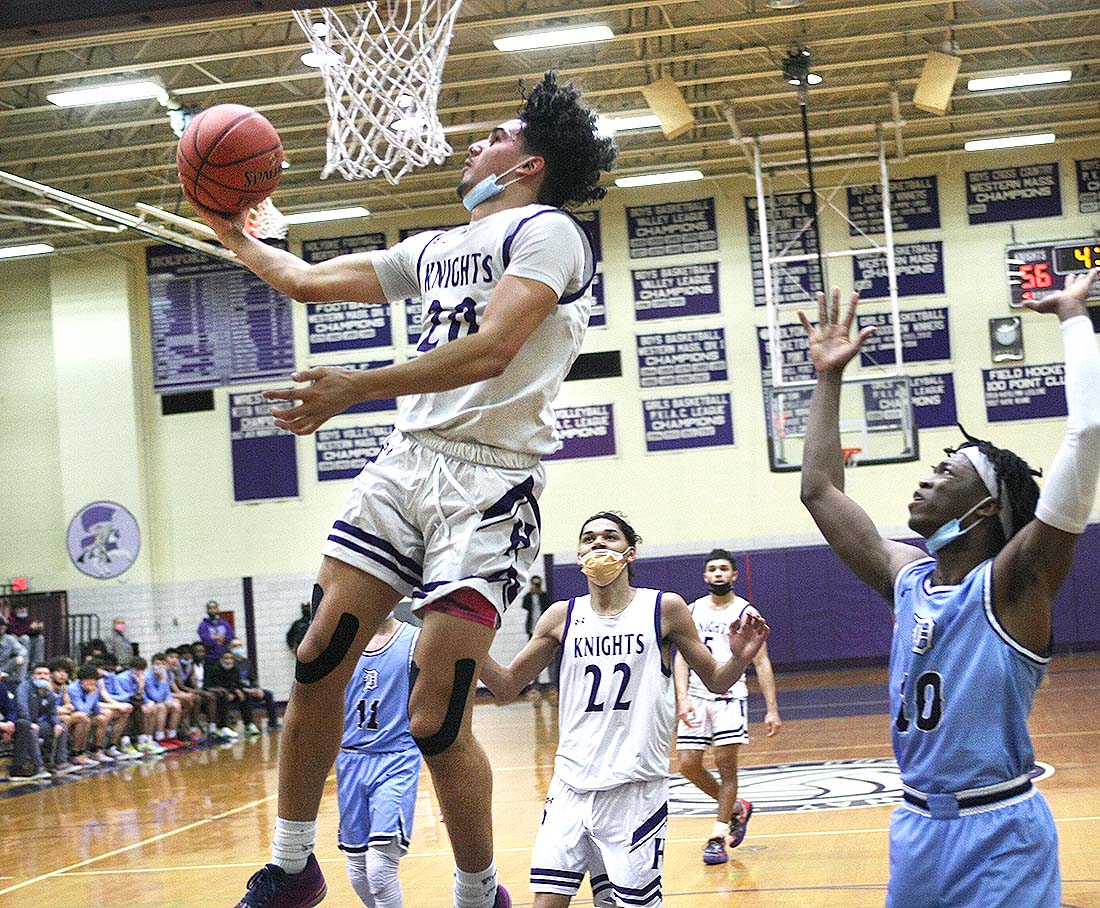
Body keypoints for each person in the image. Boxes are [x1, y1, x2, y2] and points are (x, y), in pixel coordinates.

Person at [188, 72, 615, 908]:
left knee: (435, 715)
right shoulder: (433, 248)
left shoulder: (550, 233)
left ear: (528, 164)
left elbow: (493, 348)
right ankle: (291, 865)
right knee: (318, 657)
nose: (475, 143)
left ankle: (479, 891)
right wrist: (233, 233)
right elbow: (305, 280)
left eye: (496, 134)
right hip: (406, 464)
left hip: (490, 483)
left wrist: (357, 386)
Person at [797, 273, 1100, 908]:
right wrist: (828, 378)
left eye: (946, 471)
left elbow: (1090, 431)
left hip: (998, 829)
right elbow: (820, 490)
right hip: (914, 827)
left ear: (985, 509)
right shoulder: (907, 577)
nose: (926, 479)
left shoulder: (1016, 584)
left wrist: (1074, 317)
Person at [478, 512, 770, 907]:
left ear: (630, 553)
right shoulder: (561, 615)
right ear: (579, 555)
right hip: (570, 787)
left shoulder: (664, 608)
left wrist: (738, 659)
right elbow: (506, 686)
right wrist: (465, 643)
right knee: (545, 902)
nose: (598, 542)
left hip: (634, 790)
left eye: (610, 536)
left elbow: (717, 680)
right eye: (589, 538)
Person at [673, 549, 782, 864]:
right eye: (713, 569)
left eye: (724, 568)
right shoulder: (691, 611)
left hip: (730, 695)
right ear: (705, 576)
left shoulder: (747, 612)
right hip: (696, 694)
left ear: (734, 575)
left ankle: (718, 836)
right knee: (688, 765)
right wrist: (682, 698)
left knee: (725, 764)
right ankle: (736, 808)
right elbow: (681, 658)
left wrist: (772, 708)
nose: (718, 573)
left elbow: (761, 662)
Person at [334, 614, 422, 908]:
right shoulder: (339, 643)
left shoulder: (415, 640)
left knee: (380, 869)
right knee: (358, 872)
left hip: (396, 758)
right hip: (349, 760)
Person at [1, 672, 49, 780]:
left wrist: (10, 723)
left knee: (23, 724)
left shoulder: (2, 688)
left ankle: (18, 767)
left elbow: (11, 710)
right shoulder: (23, 688)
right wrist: (2, 726)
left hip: (4, 724)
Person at [229, 638, 280, 732]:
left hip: (250, 689)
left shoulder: (246, 662)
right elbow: (232, 683)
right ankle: (249, 724)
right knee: (246, 695)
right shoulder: (230, 663)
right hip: (237, 691)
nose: (238, 648)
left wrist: (257, 689)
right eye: (235, 646)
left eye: (239, 645)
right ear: (230, 648)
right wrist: (248, 690)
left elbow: (253, 679)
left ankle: (273, 723)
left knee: (268, 694)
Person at [207, 647, 257, 734]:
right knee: (223, 695)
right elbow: (218, 685)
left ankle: (249, 724)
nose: (229, 661)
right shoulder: (215, 669)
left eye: (231, 658)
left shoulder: (235, 668)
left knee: (246, 695)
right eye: (226, 658)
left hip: (231, 692)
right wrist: (233, 691)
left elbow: (238, 683)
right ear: (221, 659)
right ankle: (223, 726)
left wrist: (237, 691)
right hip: (217, 692)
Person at [198, 600, 234, 666]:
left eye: (214, 608)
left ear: (218, 609)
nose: (212, 610)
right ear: (207, 611)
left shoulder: (224, 623)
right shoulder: (203, 625)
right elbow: (206, 639)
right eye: (210, 608)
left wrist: (215, 638)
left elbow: (231, 636)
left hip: (225, 657)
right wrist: (220, 640)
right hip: (210, 657)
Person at [0, 616, 28, 686]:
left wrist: (20, 656)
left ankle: (20, 682)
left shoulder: (9, 638)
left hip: (4, 667)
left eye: (3, 627)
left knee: (22, 658)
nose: (2, 629)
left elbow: (23, 650)